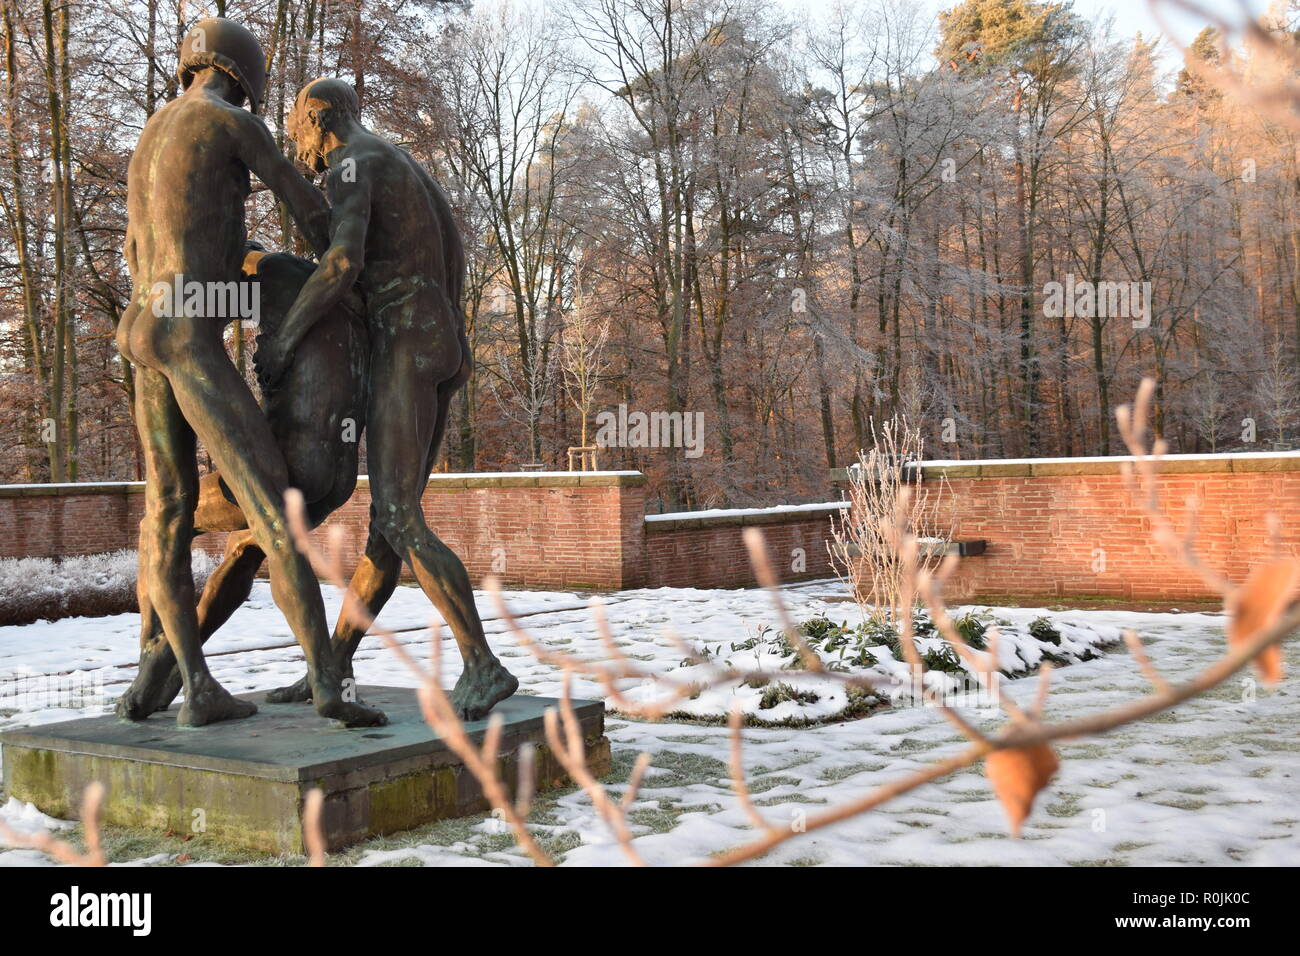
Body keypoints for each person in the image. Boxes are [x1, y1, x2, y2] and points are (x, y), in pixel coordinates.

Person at [114, 20, 384, 727]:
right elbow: (307, 206)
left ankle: (177, 681)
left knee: (167, 515)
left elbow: (144, 245)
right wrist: (355, 261)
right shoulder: (230, 122)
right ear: (244, 75)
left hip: (139, 330)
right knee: (275, 511)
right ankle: (329, 684)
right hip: (184, 336)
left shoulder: (151, 135)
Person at [257, 78, 518, 720]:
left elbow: (342, 264)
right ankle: (333, 667)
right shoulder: (402, 164)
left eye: (301, 136)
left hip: (405, 341)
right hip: (441, 343)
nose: (305, 154)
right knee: (387, 526)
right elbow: (448, 264)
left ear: (320, 119)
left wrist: (285, 340)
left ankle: (482, 665)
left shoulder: (351, 161)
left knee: (400, 516)